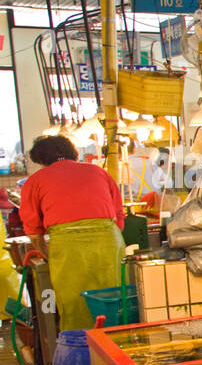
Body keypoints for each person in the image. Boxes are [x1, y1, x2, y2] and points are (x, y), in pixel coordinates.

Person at [19, 134, 125, 331]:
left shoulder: (35, 181)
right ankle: (117, 348)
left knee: (74, 301)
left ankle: (80, 350)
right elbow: (118, 216)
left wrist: (48, 255)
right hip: (108, 240)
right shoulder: (98, 172)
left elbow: (33, 232)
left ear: (41, 159)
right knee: (113, 297)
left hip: (68, 246)